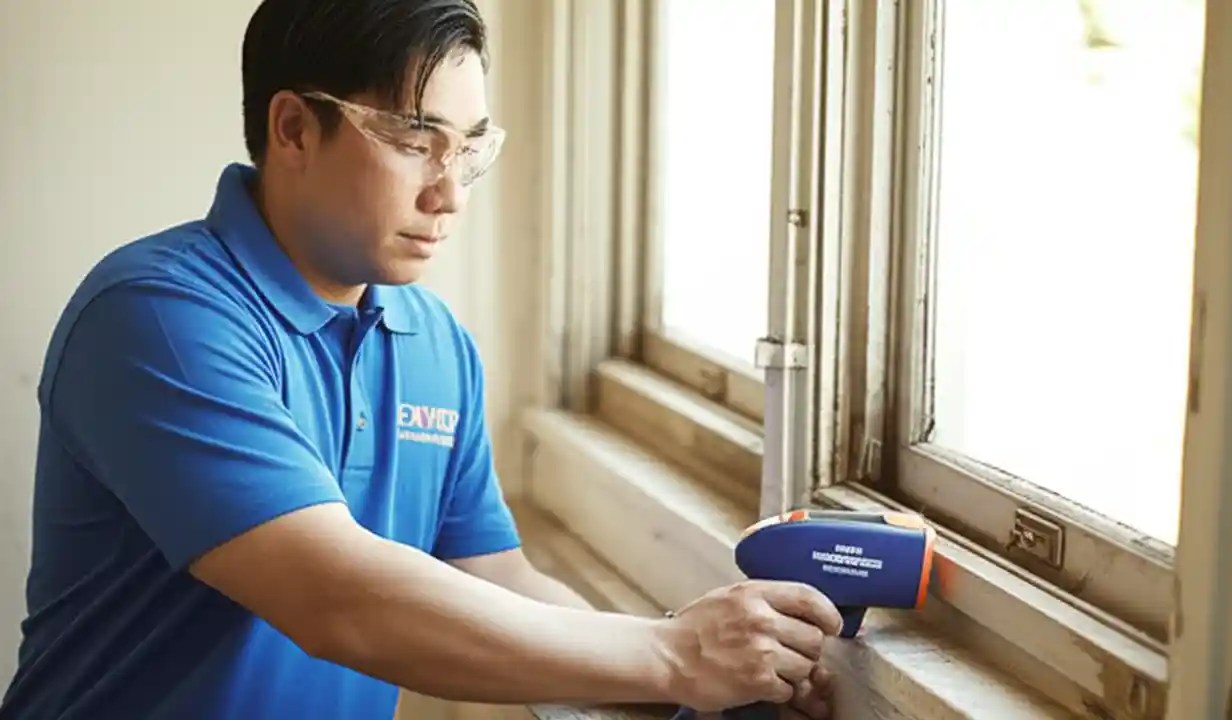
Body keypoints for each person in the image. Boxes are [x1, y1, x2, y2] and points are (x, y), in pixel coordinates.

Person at [0, 2, 842, 718]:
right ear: (293, 127)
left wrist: (695, 677)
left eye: (469, 147)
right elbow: (335, 600)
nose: (451, 193)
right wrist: (672, 654)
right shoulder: (159, 315)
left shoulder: (433, 339)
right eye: (415, 141)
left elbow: (497, 577)